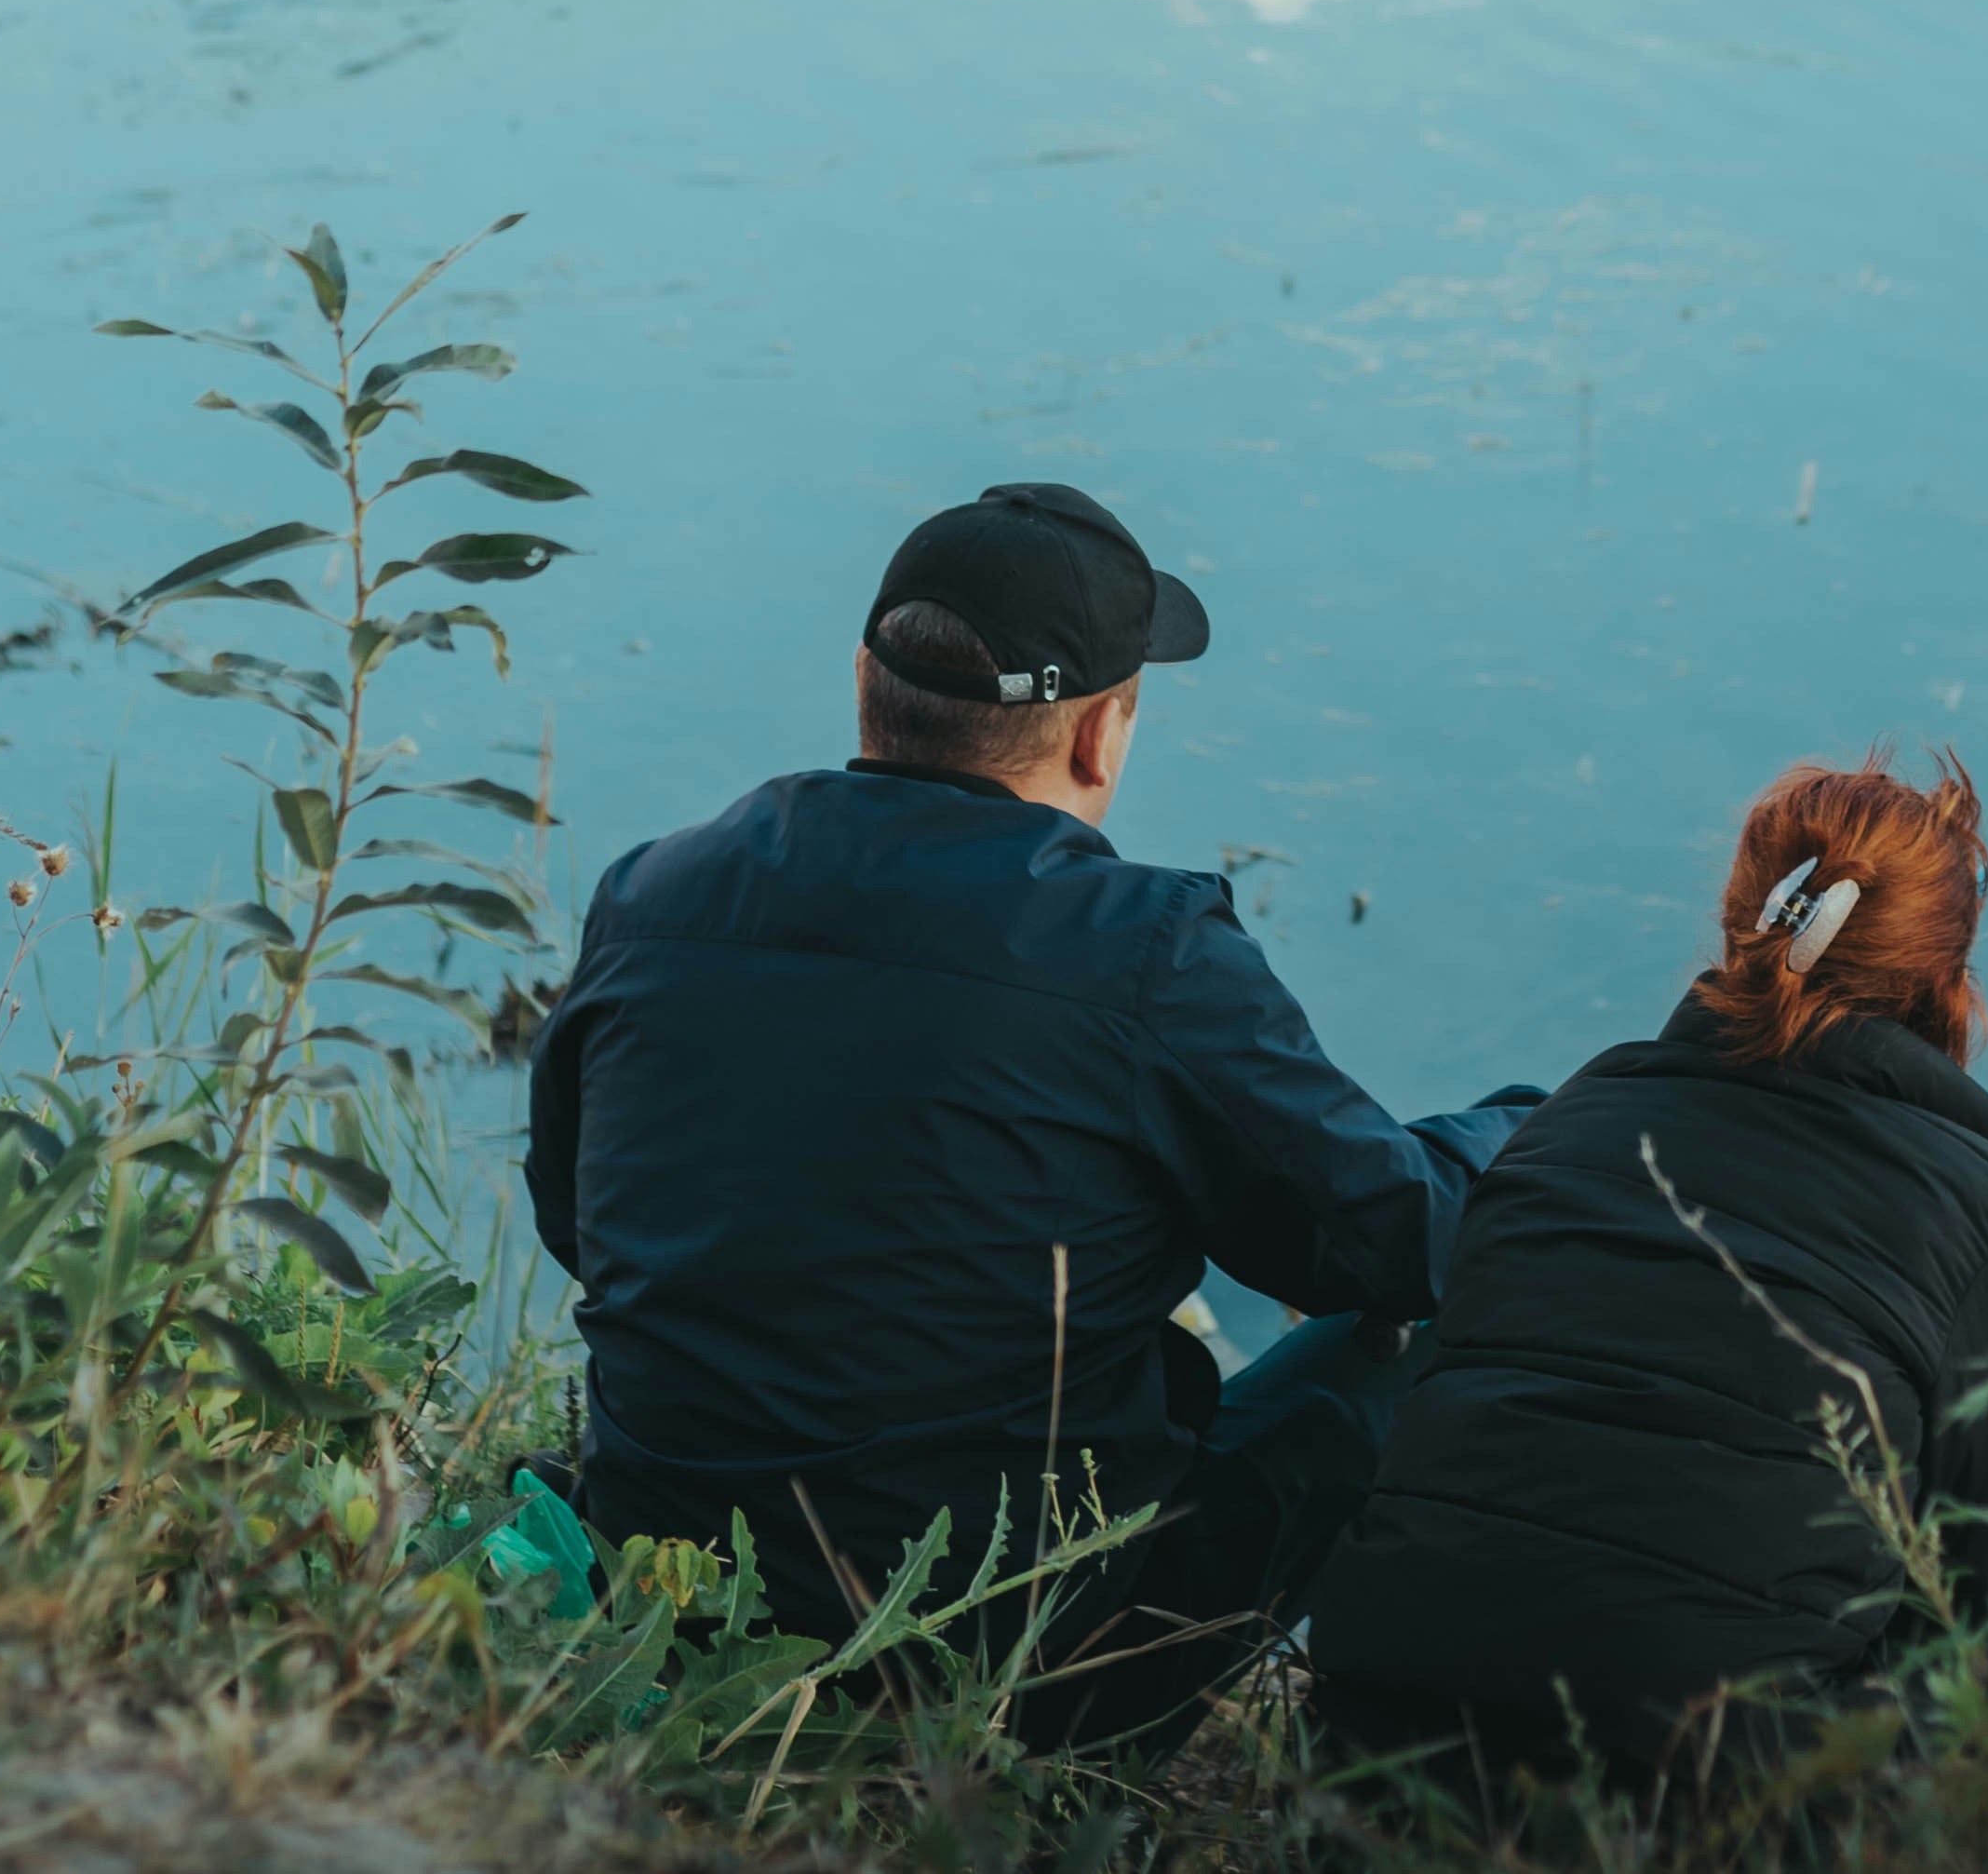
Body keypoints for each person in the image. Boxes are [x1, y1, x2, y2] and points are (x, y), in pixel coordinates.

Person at [526, 479, 1531, 1739]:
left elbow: (578, 1226)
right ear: (1101, 732)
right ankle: (1418, 1761)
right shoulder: (1142, 951)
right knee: (1405, 1344)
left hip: (672, 1607)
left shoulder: (652, 894)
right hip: (997, 1664)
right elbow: (1391, 1239)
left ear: (864, 684)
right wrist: (1529, 1134)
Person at [1308, 752, 1988, 1798]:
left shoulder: (1556, 1124)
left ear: (1739, 921)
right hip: (1711, 1783)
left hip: (1388, 1739)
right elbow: (1968, 1599)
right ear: (1947, 974)